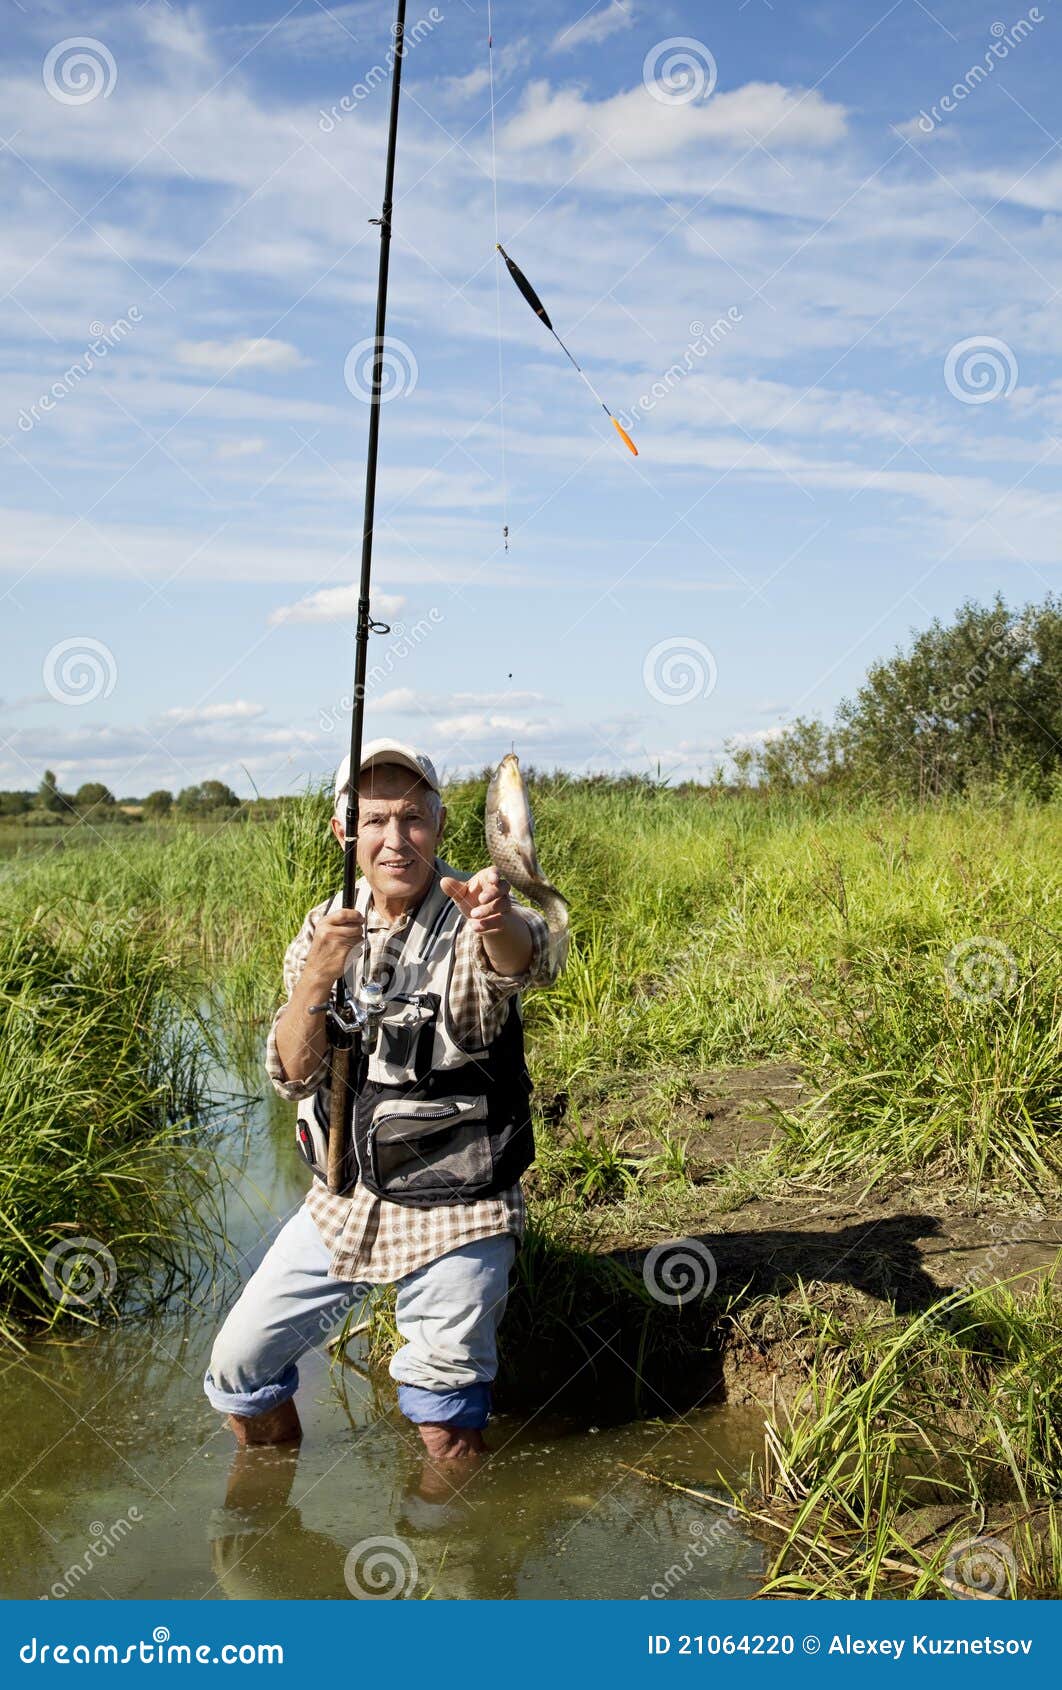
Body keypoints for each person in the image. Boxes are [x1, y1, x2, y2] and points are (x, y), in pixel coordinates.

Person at [203, 739, 563, 1462]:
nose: (395, 840)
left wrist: (503, 924)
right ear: (345, 832)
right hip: (347, 1198)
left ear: (439, 825)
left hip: (460, 1206)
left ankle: (452, 1554)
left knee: (443, 1415)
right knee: (238, 1373)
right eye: (374, 821)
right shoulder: (321, 924)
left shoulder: (471, 908)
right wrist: (318, 979)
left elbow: (527, 961)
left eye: (412, 819)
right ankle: (270, 1516)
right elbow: (292, 1076)